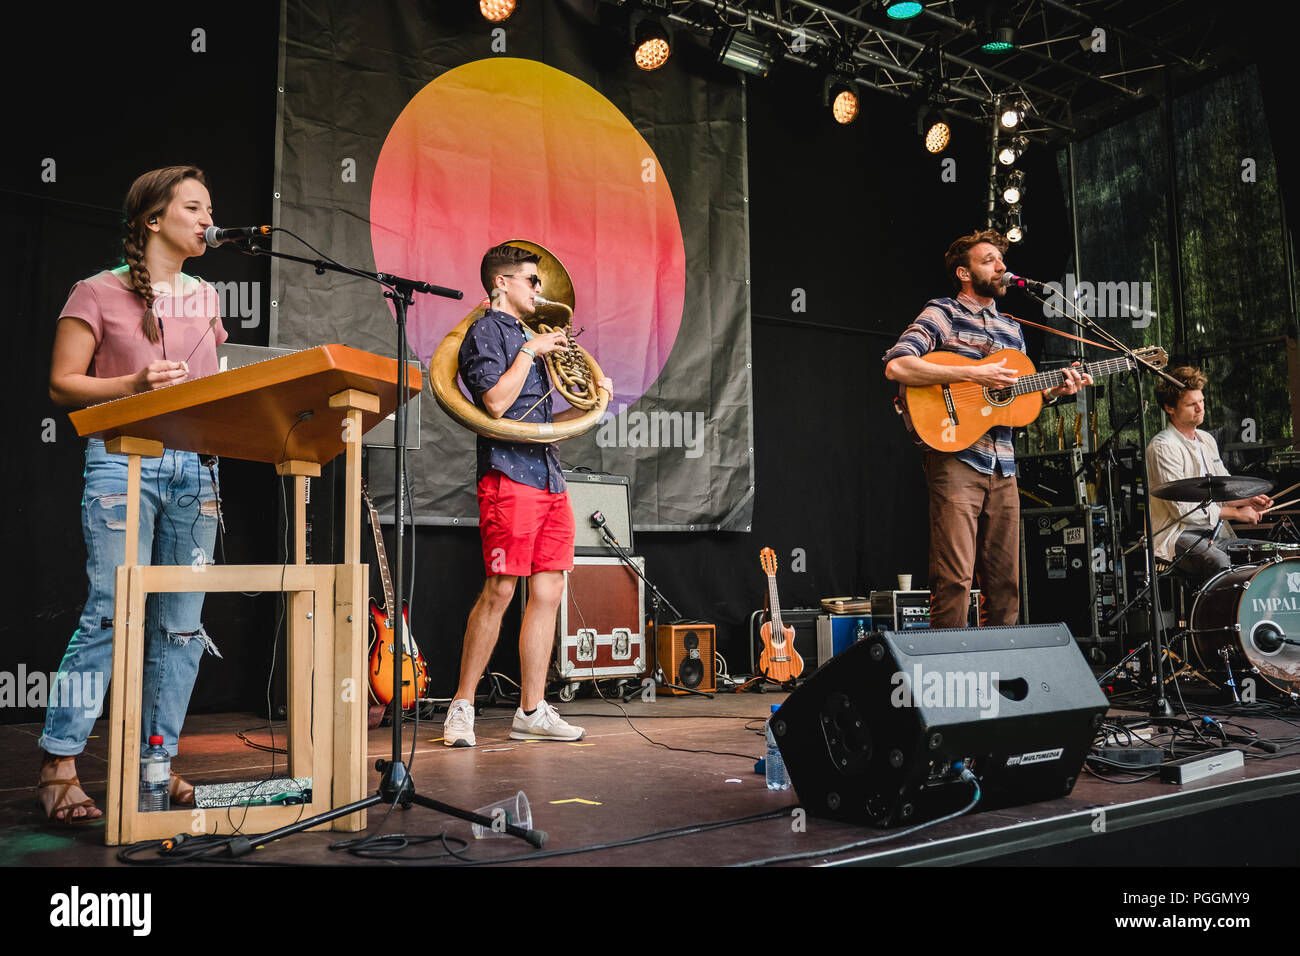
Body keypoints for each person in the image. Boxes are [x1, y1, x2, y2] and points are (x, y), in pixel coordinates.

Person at [38, 166, 227, 824]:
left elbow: (214, 388)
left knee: (181, 625)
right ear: (153, 219)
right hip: (123, 464)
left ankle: (155, 761)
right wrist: (133, 385)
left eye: (210, 210)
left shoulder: (206, 296)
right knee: (111, 611)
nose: (208, 219)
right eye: (195, 208)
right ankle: (60, 760)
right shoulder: (95, 290)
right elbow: (63, 385)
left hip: (197, 473)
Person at [441, 244, 612, 747]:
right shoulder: (487, 332)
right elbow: (495, 405)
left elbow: (541, 425)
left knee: (548, 594)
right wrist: (528, 353)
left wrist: (594, 398)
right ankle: (462, 706)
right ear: (500, 284)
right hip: (508, 478)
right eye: (531, 281)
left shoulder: (528, 335)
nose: (541, 290)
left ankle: (532, 710)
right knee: (500, 591)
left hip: (550, 478)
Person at [883, 229, 1090, 628]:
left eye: (1001, 259)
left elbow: (1014, 401)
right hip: (957, 457)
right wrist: (974, 375)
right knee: (955, 578)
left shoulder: (1012, 329)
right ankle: (949, 672)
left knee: (1006, 580)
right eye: (989, 260)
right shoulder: (943, 312)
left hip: (1004, 466)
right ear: (964, 272)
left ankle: (1001, 668)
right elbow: (898, 365)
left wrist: (1054, 391)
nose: (1001, 266)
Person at [1147, 365, 1271, 580]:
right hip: (1177, 535)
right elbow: (1183, 510)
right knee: (1219, 561)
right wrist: (1237, 514)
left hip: (1213, 532)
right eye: (1191, 404)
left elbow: (1224, 490)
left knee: (1266, 554)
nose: (1200, 408)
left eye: (1201, 401)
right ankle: (1218, 614)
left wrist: (1249, 500)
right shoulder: (1163, 447)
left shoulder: (1206, 439)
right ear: (1170, 408)